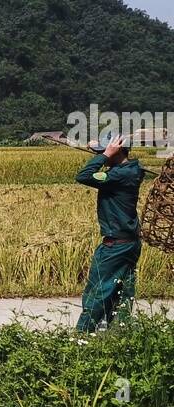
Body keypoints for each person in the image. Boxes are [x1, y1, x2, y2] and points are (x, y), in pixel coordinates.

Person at [74, 134, 147, 332]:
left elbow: (84, 176)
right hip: (129, 242)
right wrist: (102, 152)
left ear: (118, 150)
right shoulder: (132, 170)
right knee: (121, 290)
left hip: (116, 245)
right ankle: (118, 333)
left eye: (106, 150)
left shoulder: (118, 175)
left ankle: (82, 335)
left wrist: (105, 155)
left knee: (98, 290)